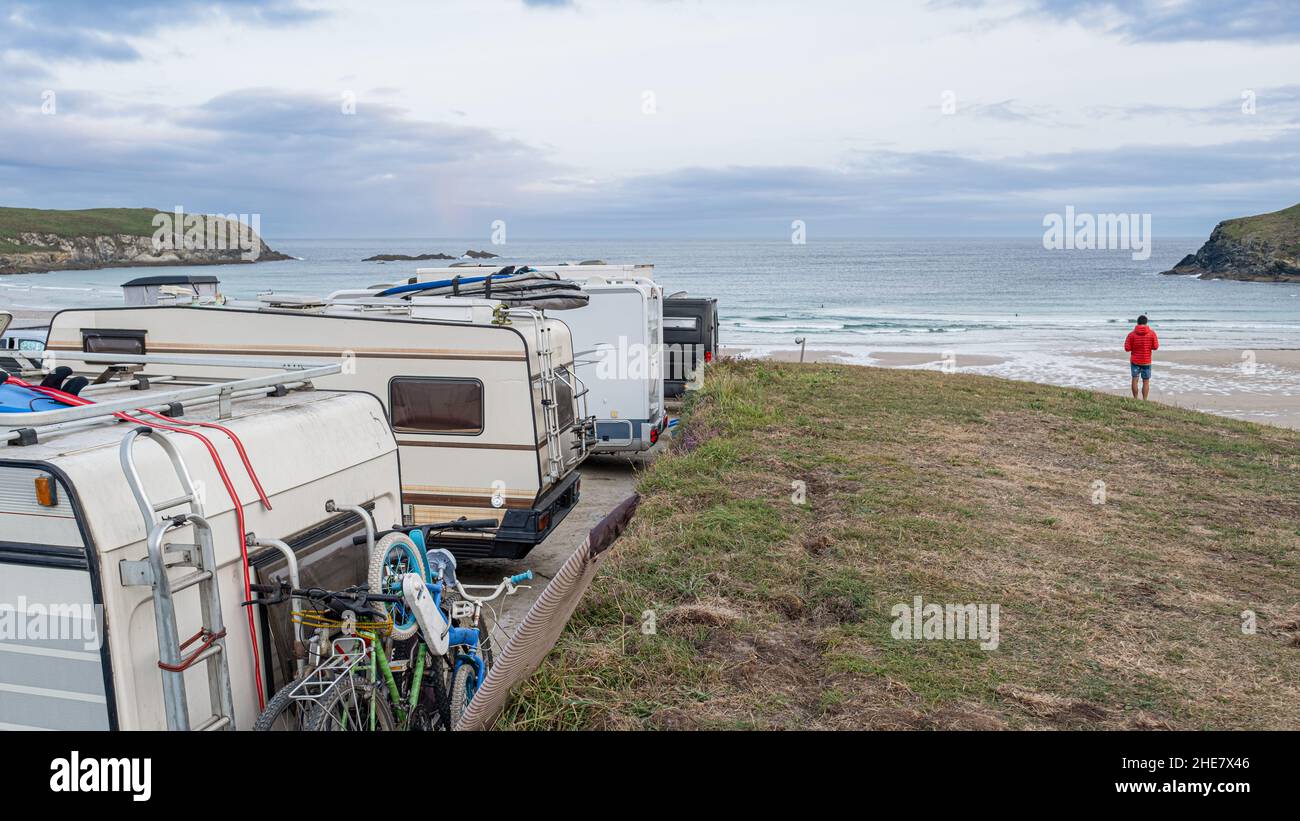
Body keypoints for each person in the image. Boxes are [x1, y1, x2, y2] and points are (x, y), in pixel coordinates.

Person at [1124, 314, 1158, 400]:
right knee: (1146, 381)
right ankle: (1145, 400)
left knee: (1135, 379)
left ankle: (1135, 398)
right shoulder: (1152, 333)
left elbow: (1127, 348)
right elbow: (1155, 347)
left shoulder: (1131, 334)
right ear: (1146, 323)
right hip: (1146, 361)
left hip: (1135, 361)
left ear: (1137, 323)